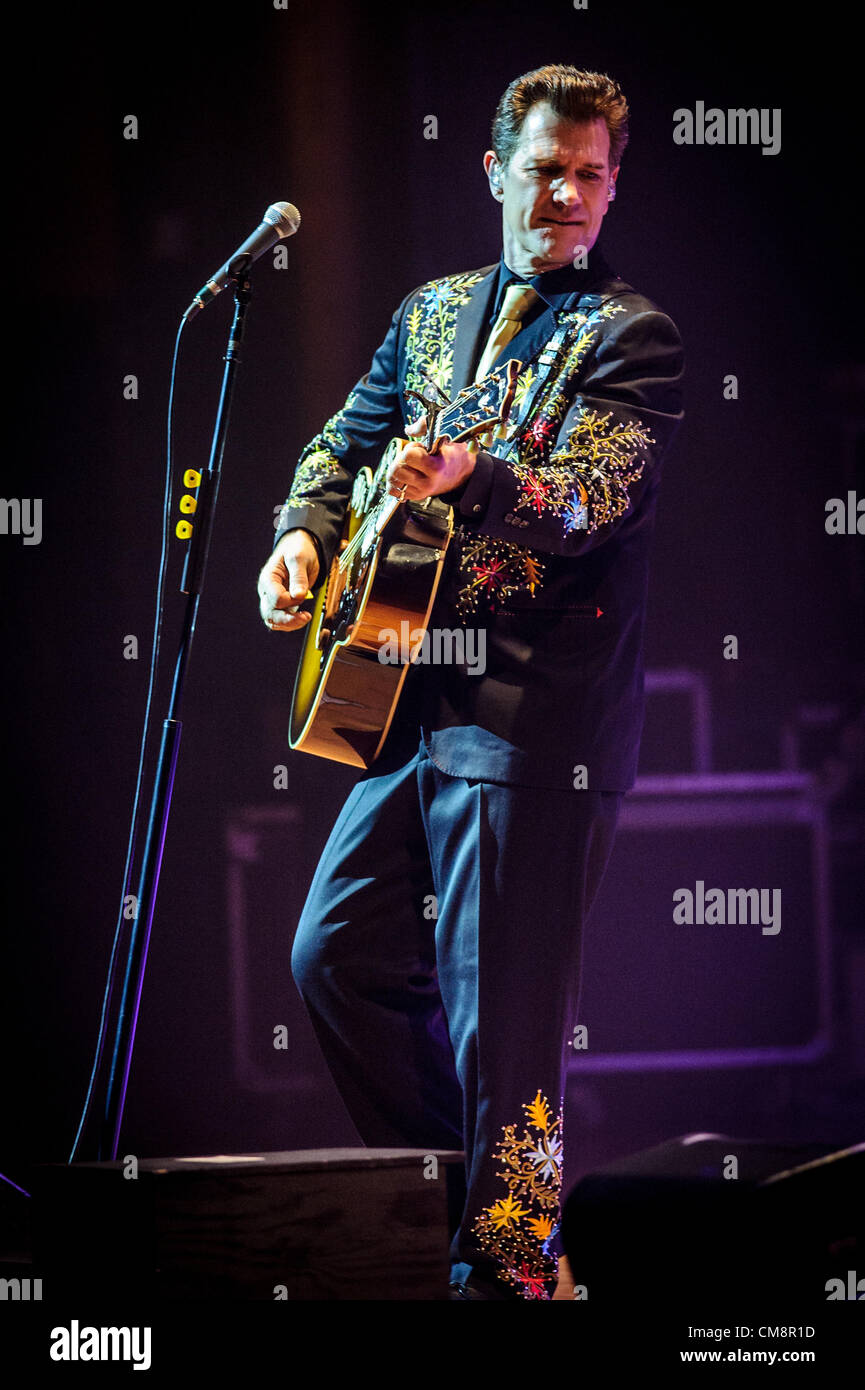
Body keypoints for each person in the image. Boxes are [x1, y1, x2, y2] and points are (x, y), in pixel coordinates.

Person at [257, 63, 684, 1300]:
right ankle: (479, 1211)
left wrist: (472, 477)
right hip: (400, 702)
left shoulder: (632, 336)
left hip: (532, 726)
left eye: (590, 175)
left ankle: (505, 1268)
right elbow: (341, 443)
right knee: (330, 956)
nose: (566, 196)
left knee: (507, 1027)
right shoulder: (431, 312)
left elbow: (589, 500)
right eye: (544, 170)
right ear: (494, 172)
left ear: (612, 187)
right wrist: (301, 534)